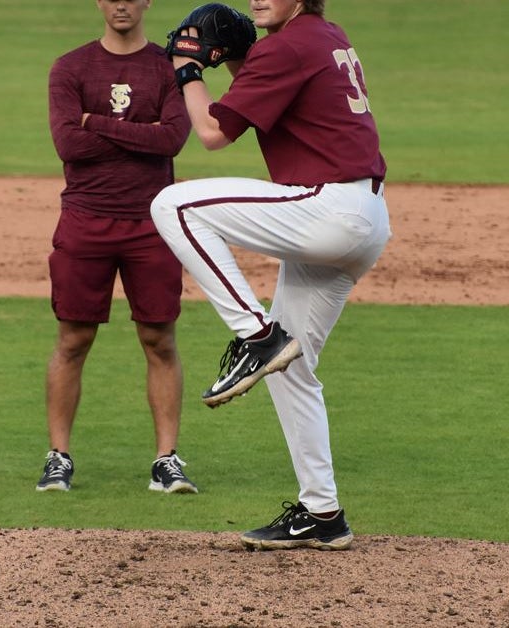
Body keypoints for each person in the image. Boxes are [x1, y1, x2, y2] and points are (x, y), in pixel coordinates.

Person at [152, 0, 391, 549]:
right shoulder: (320, 35)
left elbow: (213, 133)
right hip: (363, 219)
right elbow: (269, 101)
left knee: (174, 205)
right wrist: (240, 58)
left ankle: (256, 335)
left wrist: (188, 69)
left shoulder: (287, 45)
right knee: (292, 371)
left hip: (328, 209)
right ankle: (322, 512)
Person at [38, 0, 197, 495]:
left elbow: (173, 139)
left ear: (147, 1)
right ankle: (58, 457)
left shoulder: (166, 67)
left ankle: (166, 460)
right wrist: (139, 134)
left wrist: (95, 121)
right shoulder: (70, 67)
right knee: (73, 340)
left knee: (160, 340)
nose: (122, 3)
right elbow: (69, 145)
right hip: (86, 219)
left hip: (153, 222)